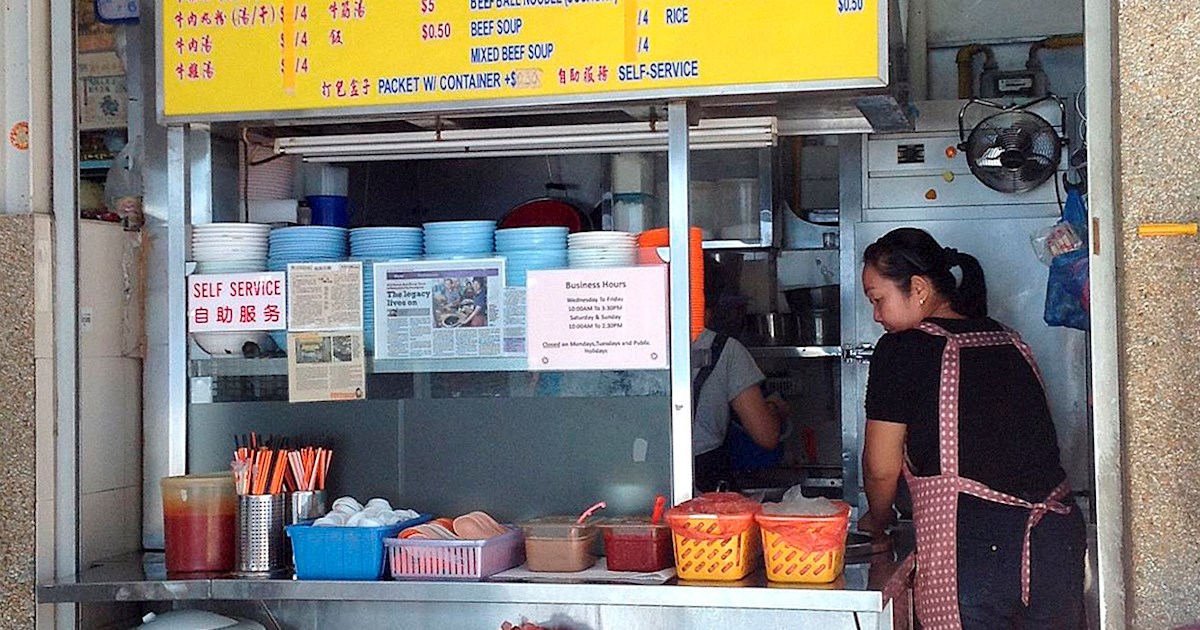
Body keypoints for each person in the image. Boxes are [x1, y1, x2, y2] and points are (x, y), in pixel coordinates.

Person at [858, 227, 1085, 629]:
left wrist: (878, 522)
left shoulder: (901, 350)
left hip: (976, 551)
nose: (876, 316)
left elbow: (880, 466)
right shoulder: (1008, 339)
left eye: (878, 300)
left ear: (919, 288)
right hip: (1056, 541)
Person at [691, 326, 789, 492]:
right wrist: (775, 407)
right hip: (705, 486)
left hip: (640, 478)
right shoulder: (726, 349)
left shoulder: (637, 345)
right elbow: (766, 435)